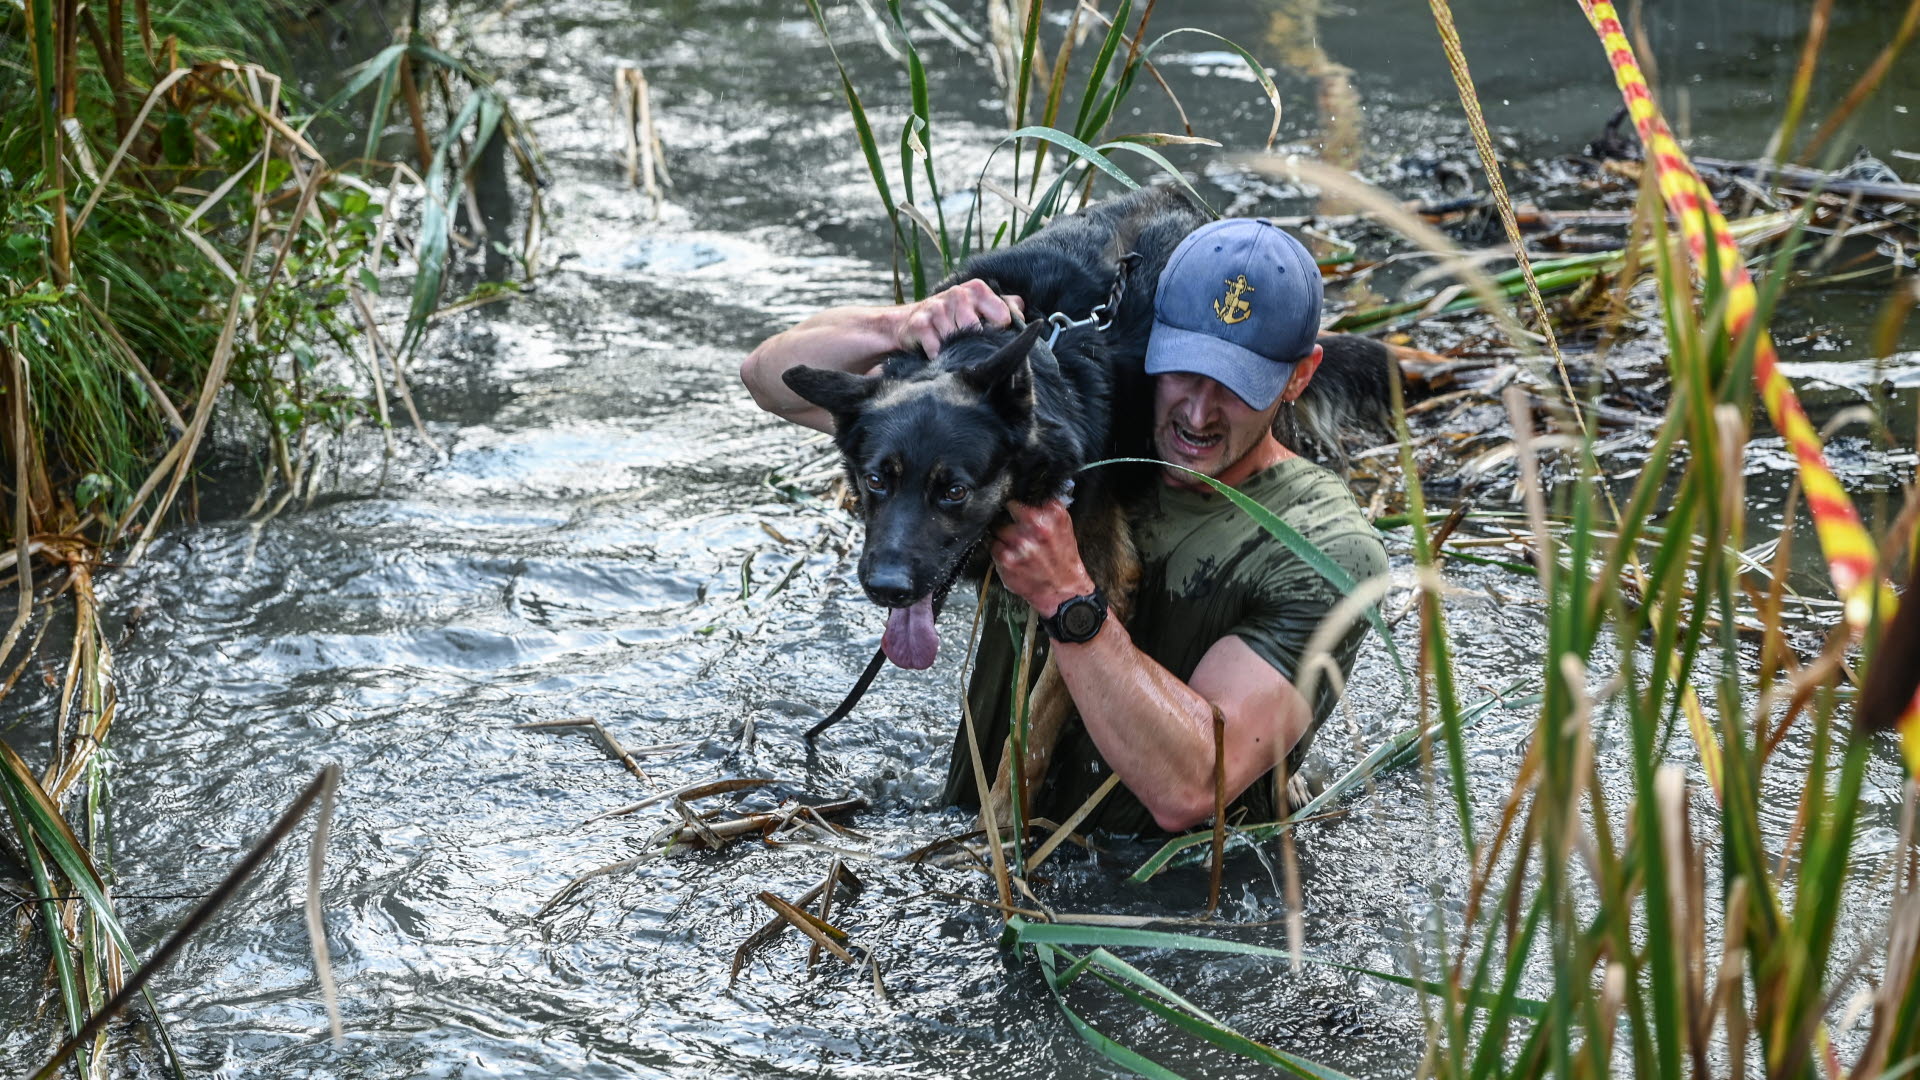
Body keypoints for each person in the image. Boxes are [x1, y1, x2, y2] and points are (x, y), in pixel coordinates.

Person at [740, 216, 1387, 835]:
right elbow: (768, 380)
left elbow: (1194, 788)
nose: (1197, 412)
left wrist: (1068, 600)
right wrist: (901, 322)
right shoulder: (1045, 445)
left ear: (1300, 376)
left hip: (1175, 903)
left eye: (1235, 385)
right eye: (1183, 370)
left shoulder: (1325, 547)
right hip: (978, 850)